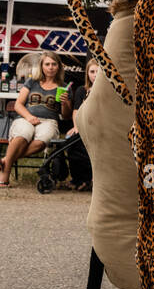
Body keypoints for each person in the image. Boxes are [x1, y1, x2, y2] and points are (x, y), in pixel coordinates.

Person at [0, 50, 72, 187]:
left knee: (42, 140)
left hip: (49, 121)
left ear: (59, 67)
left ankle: (5, 161)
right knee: (22, 135)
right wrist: (29, 116)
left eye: (54, 64)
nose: (50, 67)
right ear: (42, 66)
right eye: (47, 64)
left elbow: (66, 115)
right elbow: (18, 104)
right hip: (26, 117)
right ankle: (5, 175)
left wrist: (65, 102)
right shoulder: (32, 81)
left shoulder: (64, 86)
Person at [65, 58, 97, 191]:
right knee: (72, 143)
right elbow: (76, 112)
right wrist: (76, 127)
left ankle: (91, 178)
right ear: (87, 74)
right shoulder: (81, 91)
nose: (95, 75)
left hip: (99, 129)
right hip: (83, 127)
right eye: (92, 71)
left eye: (98, 72)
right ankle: (79, 178)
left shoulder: (109, 91)